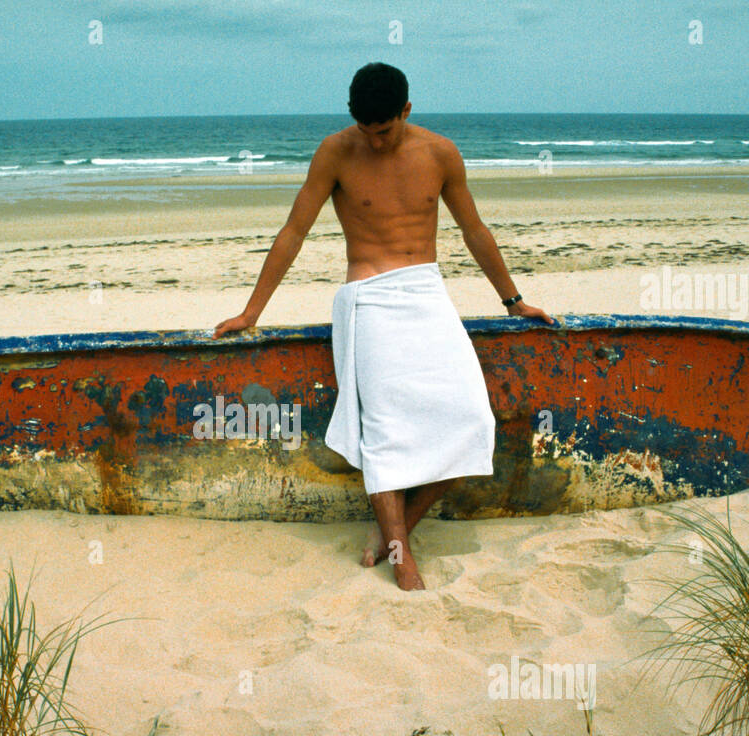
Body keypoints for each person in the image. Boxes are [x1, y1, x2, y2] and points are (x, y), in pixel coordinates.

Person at [214, 62, 555, 590]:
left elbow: (474, 229)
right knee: (386, 433)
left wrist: (513, 300)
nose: (375, 142)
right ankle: (403, 560)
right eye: (367, 132)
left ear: (406, 111)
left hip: (425, 293)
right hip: (368, 298)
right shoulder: (335, 151)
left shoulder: (440, 153)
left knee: (471, 421)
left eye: (386, 130)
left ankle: (393, 532)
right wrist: (251, 312)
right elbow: (293, 231)